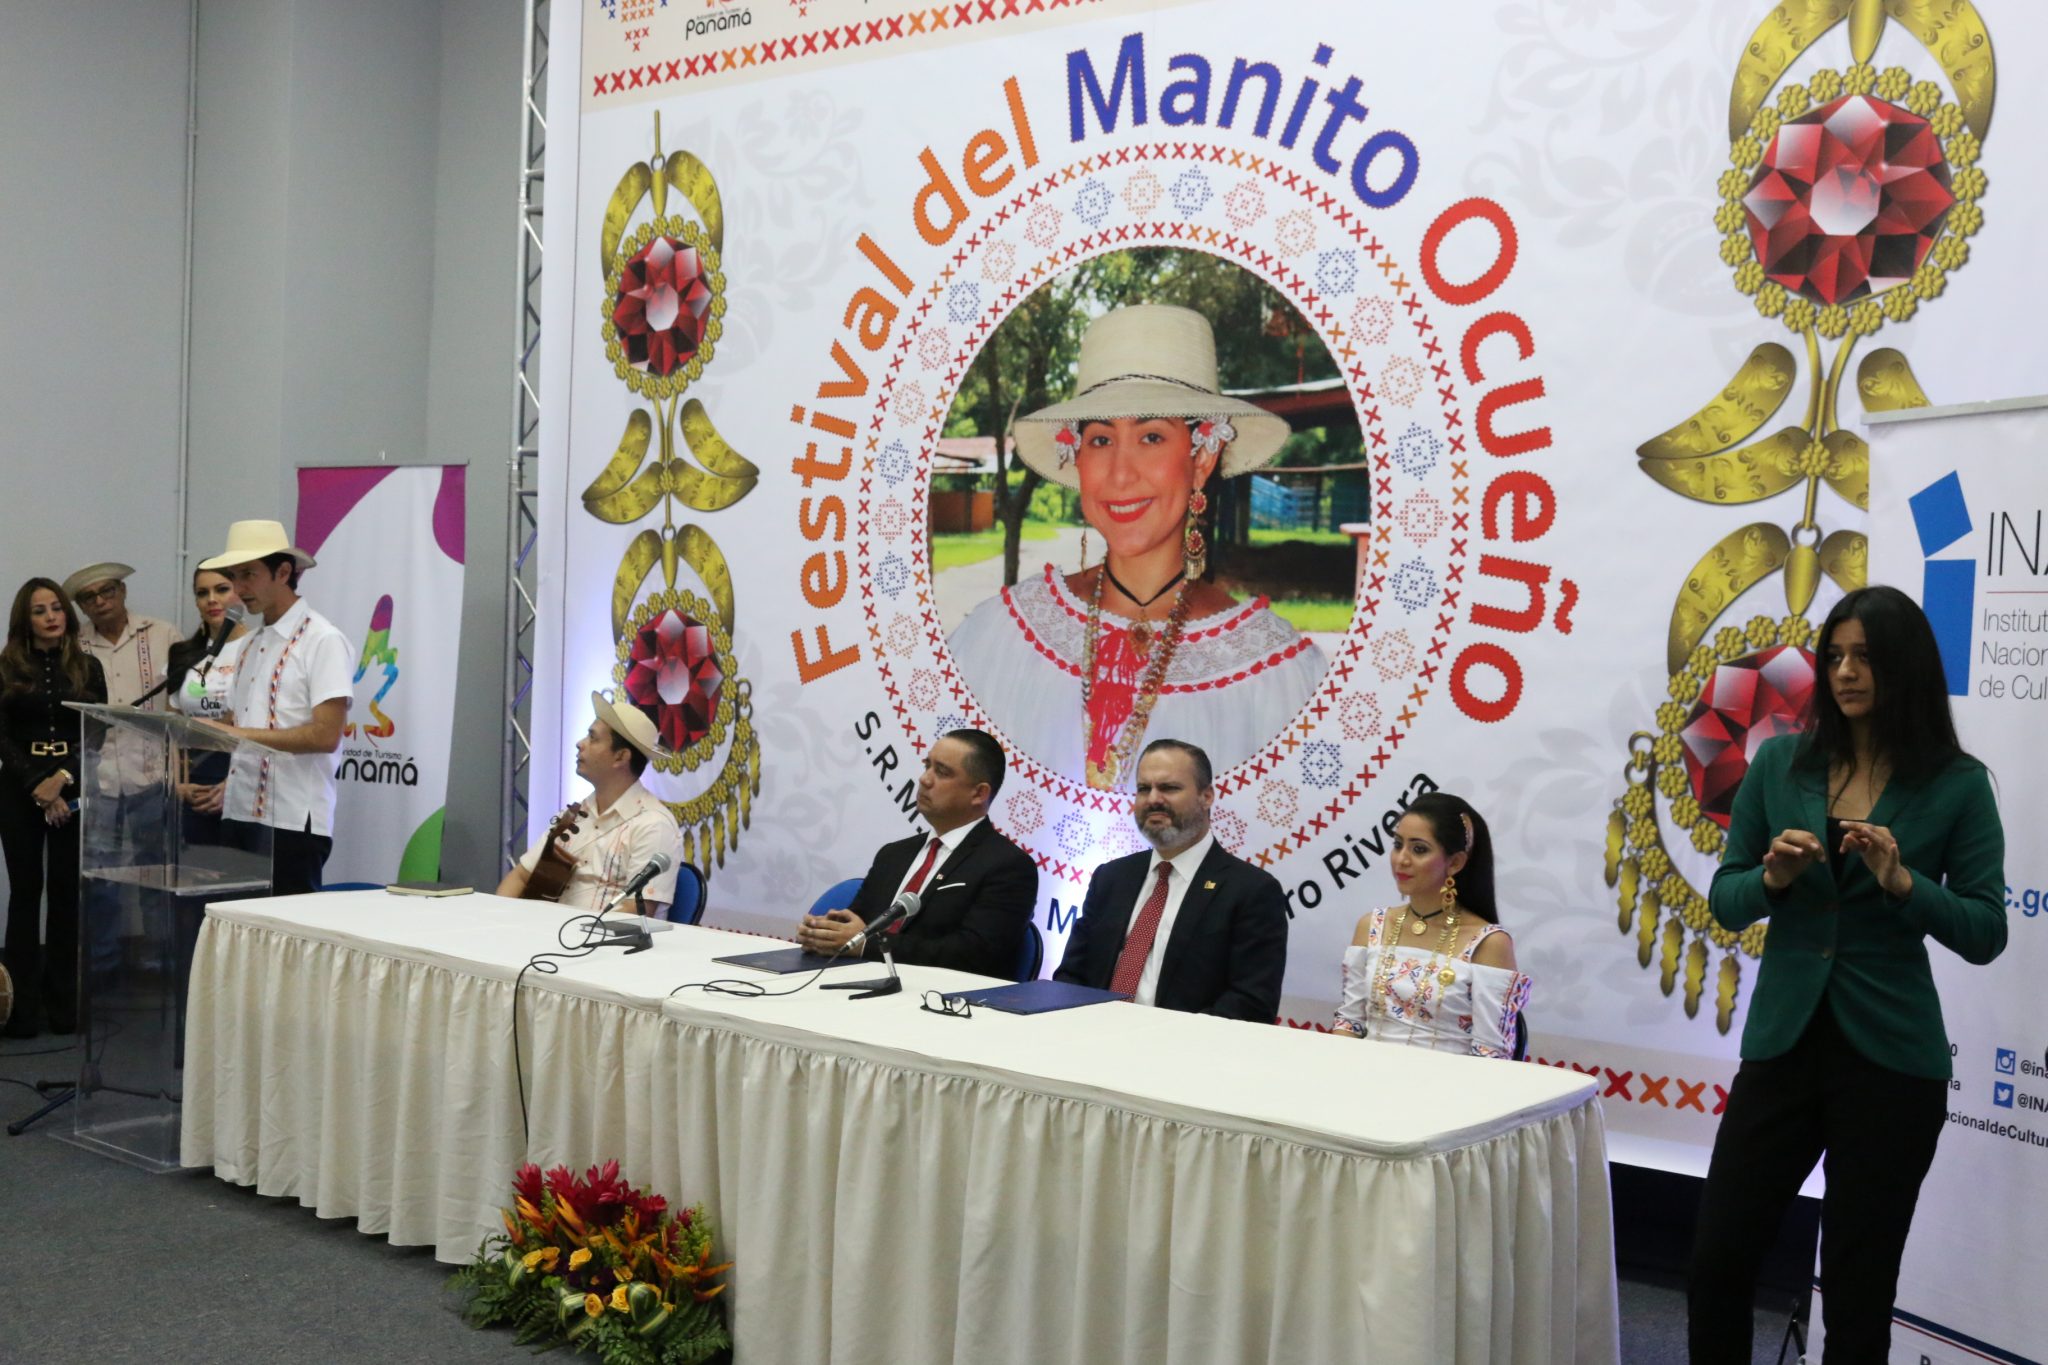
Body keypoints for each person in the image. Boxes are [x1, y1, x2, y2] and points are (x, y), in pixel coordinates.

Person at [1688, 585, 2006, 1363]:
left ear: (1906, 667)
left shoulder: (1957, 783)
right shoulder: (1778, 763)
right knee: (1717, 1261)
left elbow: (1986, 930)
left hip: (1892, 1061)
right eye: (1834, 655)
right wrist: (1773, 879)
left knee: (1859, 1294)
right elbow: (1727, 900)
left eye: (1865, 656)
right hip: (1785, 1046)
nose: (1845, 672)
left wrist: (1904, 884)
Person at [946, 304, 1327, 788]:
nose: (1121, 474)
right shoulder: (1002, 637)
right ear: (1076, 458)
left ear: (1203, 458)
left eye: (1151, 436)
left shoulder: (1272, 672)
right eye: (1101, 440)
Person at [1051, 737, 1287, 1020]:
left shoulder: (1252, 891)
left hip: (1186, 1053)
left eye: (1169, 788)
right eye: (1143, 789)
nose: (1153, 799)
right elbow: (1071, 974)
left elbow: (1251, 1003)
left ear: (1207, 796)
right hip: (1087, 1039)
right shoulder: (1111, 877)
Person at [192, 520, 354, 897]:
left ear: (283, 572)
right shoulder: (249, 645)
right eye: (234, 576)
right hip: (239, 810)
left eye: (248, 574)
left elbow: (326, 734)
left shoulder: (323, 639)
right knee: (237, 932)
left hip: (294, 819)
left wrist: (233, 734)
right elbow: (242, 720)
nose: (239, 588)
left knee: (284, 940)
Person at [798, 727, 1037, 978]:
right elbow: (859, 922)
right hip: (860, 986)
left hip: (942, 1004)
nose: (925, 779)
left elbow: (974, 955)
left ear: (979, 793)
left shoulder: (1009, 867)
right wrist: (824, 934)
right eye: (927, 766)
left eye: (942, 772)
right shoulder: (894, 855)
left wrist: (871, 945)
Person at [1328, 792, 1530, 1057]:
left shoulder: (1488, 942)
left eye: (1419, 849)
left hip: (1448, 1090)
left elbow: (1491, 1056)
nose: (1402, 859)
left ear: (1455, 862)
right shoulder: (1371, 926)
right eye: (1398, 844)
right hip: (1364, 1080)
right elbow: (1349, 1023)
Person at [0, 579, 108, 1037]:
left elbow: (97, 730)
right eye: (40, 610)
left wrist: (61, 780)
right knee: (25, 895)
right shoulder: (5, 667)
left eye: (57, 608)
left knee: (67, 896)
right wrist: (36, 785)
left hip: (74, 784)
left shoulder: (89, 666)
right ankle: (20, 1012)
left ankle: (64, 1008)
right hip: (18, 790)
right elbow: (1, 735)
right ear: (25, 619)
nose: (51, 616)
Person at [497, 691, 683, 916]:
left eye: (593, 739)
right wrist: (498, 919)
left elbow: (636, 911)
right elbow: (520, 876)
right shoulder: (574, 816)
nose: (580, 744)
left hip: (600, 944)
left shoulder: (653, 824)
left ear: (621, 757)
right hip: (548, 936)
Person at [167, 567, 250, 841]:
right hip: (192, 779)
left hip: (240, 773)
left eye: (222, 589)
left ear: (241, 590)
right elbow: (172, 727)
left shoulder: (258, 647)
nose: (211, 599)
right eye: (202, 593)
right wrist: (177, 784)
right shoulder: (182, 654)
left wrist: (234, 783)